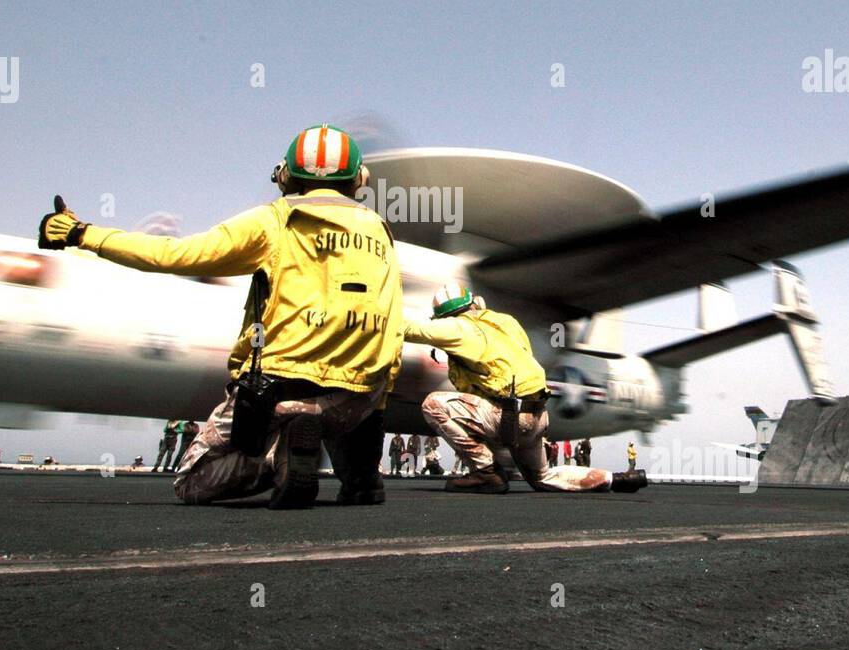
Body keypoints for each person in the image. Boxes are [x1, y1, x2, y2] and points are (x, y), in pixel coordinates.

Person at [38, 124, 403, 509]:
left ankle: (276, 458)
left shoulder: (275, 219)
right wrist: (378, 395)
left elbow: (175, 255)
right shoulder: (381, 231)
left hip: (278, 390)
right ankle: (361, 479)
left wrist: (83, 235)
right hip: (357, 401)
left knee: (192, 482)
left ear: (286, 176)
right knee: (352, 394)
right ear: (359, 179)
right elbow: (393, 324)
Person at [403, 284, 619, 494]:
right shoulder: (507, 322)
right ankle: (613, 479)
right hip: (536, 416)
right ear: (474, 304)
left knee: (433, 405)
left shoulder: (457, 327)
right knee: (543, 478)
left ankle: (485, 472)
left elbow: (409, 329)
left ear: (445, 316)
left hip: (507, 419)